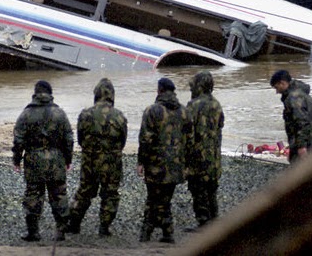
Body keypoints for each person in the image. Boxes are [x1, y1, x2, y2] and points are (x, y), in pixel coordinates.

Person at [12, 79, 73, 242]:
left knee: (33, 195)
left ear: (35, 93)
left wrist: (16, 160)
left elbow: (18, 140)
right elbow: (68, 139)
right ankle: (60, 231)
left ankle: (33, 232)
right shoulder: (60, 113)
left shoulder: (26, 114)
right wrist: (68, 159)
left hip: (34, 160)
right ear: (50, 94)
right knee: (59, 194)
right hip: (56, 159)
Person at [66, 78, 128, 237]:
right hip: (112, 162)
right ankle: (104, 227)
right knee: (110, 193)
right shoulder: (119, 116)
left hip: (90, 160)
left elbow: (79, 139)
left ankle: (74, 223)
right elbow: (123, 141)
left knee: (84, 191)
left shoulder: (85, 114)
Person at [137, 77, 189, 244]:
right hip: (176, 165)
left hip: (155, 164)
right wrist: (186, 164)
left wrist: (141, 162)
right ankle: (167, 232)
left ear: (159, 90)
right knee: (165, 198)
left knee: (153, 199)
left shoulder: (152, 111)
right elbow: (190, 139)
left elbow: (145, 139)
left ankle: (147, 232)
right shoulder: (184, 111)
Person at [186, 71, 224, 228]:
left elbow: (187, 132)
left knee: (198, 190)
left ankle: (203, 223)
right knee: (211, 189)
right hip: (214, 156)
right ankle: (214, 220)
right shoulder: (217, 104)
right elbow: (220, 126)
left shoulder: (193, 105)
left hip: (197, 156)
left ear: (199, 86)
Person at [270, 70, 312, 163]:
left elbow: (301, 123)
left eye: (276, 87)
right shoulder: (300, 93)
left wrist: (301, 147)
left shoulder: (293, 98)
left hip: (308, 146)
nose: (276, 91)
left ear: (282, 83)